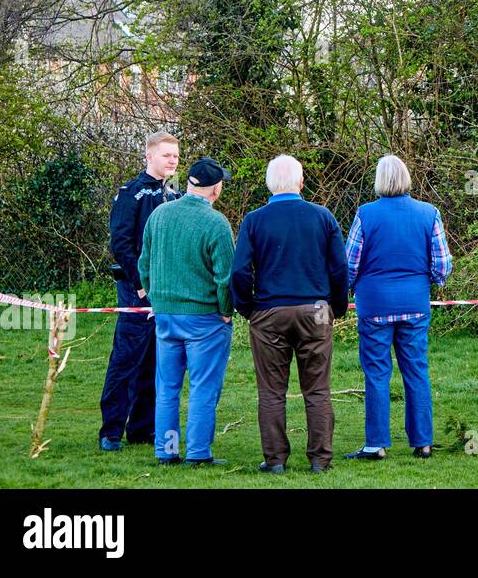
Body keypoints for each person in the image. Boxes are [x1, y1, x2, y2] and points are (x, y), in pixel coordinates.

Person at [231, 155, 348, 474]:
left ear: (269, 185)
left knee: (271, 390)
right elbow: (339, 269)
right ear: (300, 182)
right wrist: (336, 307)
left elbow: (240, 271)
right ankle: (320, 460)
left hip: (269, 311)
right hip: (317, 310)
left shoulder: (254, 220)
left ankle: (276, 459)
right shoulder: (323, 217)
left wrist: (247, 308)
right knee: (318, 388)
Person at [344, 154, 452, 461]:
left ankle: (376, 444)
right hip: (415, 305)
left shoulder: (365, 214)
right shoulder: (428, 213)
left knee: (377, 372)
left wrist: (348, 289)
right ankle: (423, 442)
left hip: (374, 305)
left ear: (379, 180)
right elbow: (443, 264)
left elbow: (350, 263)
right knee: (416, 369)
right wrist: (429, 281)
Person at [139, 157, 236, 467]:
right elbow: (225, 278)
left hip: (166, 316)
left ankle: (166, 451)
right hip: (204, 319)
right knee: (203, 386)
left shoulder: (159, 215)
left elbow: (144, 267)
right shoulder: (216, 223)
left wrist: (157, 299)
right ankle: (197, 452)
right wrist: (226, 311)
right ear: (216, 189)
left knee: (167, 387)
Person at [98, 130, 180, 452]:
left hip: (167, 293)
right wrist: (142, 285)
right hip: (136, 292)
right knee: (127, 359)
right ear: (149, 156)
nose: (172, 160)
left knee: (156, 361)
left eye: (175, 155)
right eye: (166, 155)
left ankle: (142, 429)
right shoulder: (130, 193)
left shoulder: (174, 195)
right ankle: (111, 431)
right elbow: (120, 244)